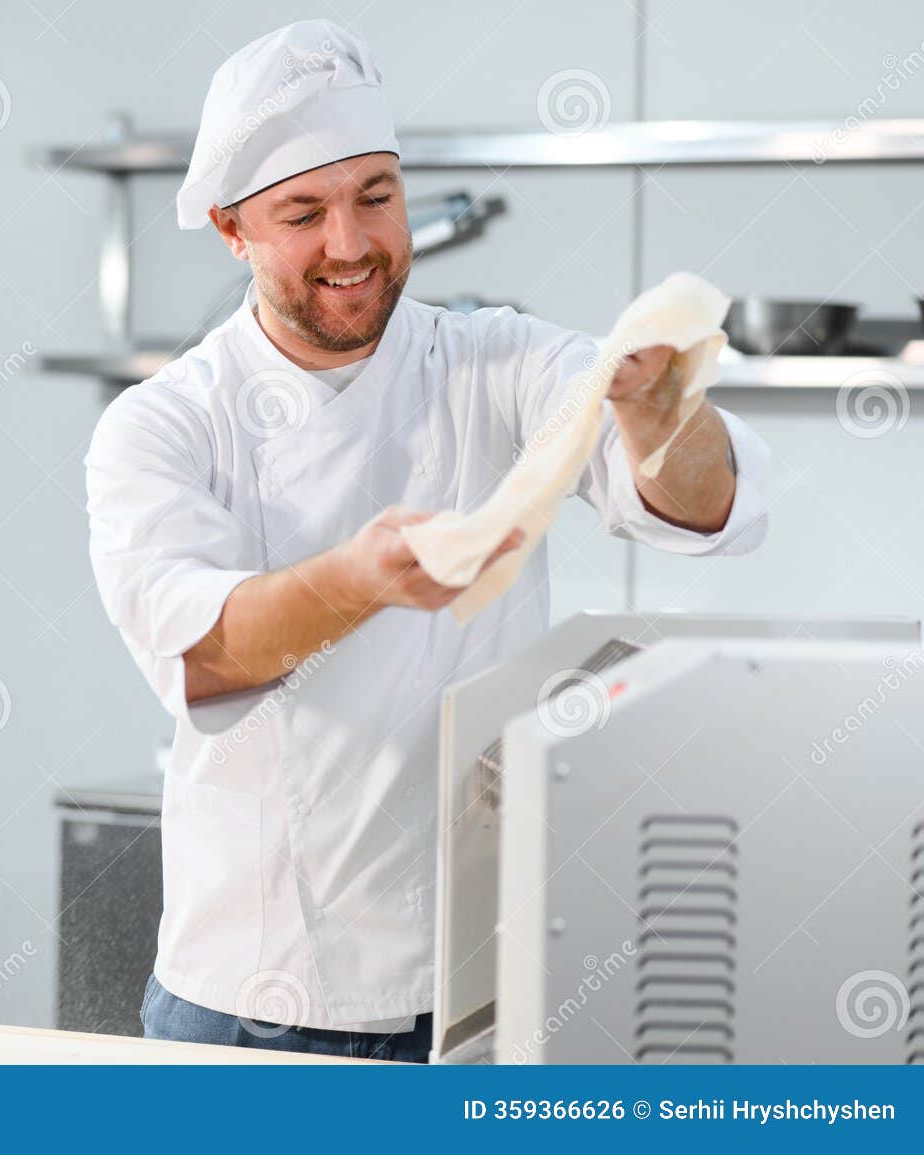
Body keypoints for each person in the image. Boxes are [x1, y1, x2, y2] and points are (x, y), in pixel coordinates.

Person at [84, 19, 768, 1061]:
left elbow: (691, 504)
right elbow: (206, 648)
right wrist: (359, 581)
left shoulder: (494, 359)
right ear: (232, 231)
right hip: (254, 1007)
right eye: (302, 213)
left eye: (375, 198)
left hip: (479, 994)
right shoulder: (167, 423)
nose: (351, 246)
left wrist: (664, 415)